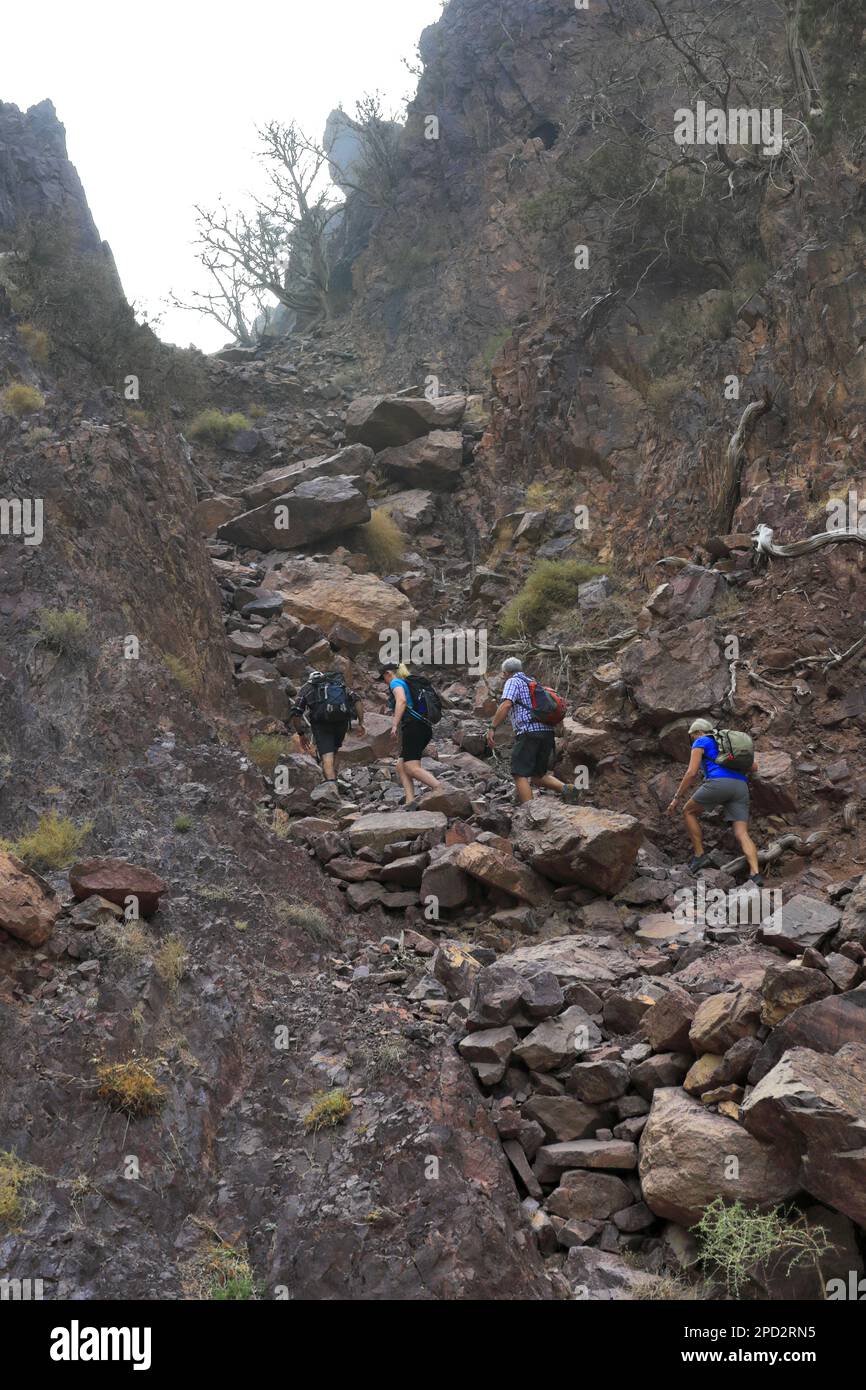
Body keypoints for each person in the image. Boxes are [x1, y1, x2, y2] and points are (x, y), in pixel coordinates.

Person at [666, 717, 763, 884]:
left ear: (698, 732)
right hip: (740, 787)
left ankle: (699, 855)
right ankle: (755, 873)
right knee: (742, 833)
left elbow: (691, 772)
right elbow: (754, 767)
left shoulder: (701, 741)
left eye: (692, 737)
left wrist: (676, 798)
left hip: (719, 783)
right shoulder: (727, 744)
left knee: (688, 811)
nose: (693, 740)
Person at [485, 657, 580, 805]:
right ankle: (569, 789)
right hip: (547, 733)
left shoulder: (513, 681)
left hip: (529, 732)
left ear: (506, 672)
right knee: (537, 775)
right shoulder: (532, 682)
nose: (503, 676)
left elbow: (506, 705)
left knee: (519, 773)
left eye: (503, 674)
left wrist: (492, 728)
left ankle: (530, 811)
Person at [380, 661, 445, 808]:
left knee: (411, 766)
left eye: (383, 677)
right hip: (423, 727)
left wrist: (395, 725)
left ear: (388, 674)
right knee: (401, 765)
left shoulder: (395, 682)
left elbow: (401, 701)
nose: (384, 682)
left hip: (414, 727)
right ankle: (410, 801)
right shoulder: (407, 683)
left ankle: (441, 789)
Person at [289, 669, 365, 786]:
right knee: (334, 749)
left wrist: (301, 734)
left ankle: (332, 789)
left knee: (327, 756)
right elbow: (357, 699)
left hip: (321, 725)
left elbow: (296, 713)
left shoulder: (306, 689)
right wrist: (361, 723)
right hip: (341, 722)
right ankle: (334, 778)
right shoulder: (338, 685)